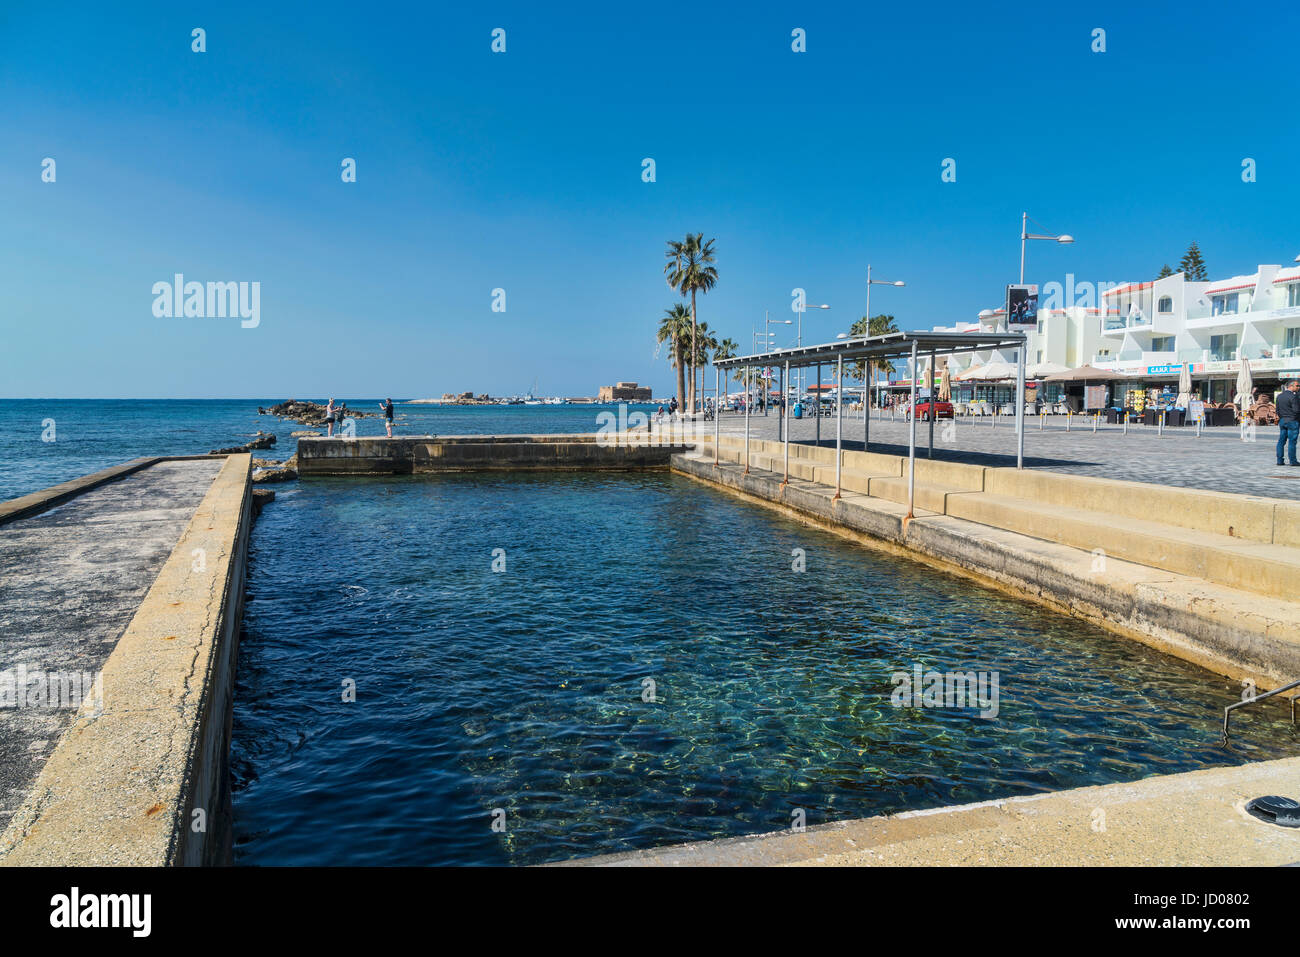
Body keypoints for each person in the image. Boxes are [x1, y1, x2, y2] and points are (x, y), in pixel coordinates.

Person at [1277, 380, 1300, 467]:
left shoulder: (1279, 396)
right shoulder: (1293, 397)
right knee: (1292, 442)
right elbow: (1297, 410)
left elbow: (1277, 410)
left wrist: (1282, 418)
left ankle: (1279, 460)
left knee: (1281, 441)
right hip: (1292, 421)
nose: (1298, 387)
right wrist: (1294, 419)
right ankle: (1293, 461)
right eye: (1297, 386)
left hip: (1283, 421)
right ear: (1291, 386)